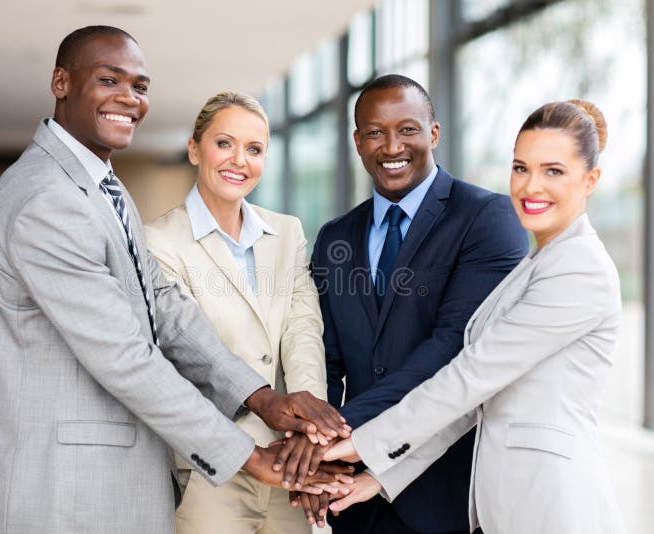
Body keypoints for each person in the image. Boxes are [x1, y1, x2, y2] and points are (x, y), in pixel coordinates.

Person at [0, 26, 348, 534]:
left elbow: (164, 307)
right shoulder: (47, 201)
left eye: (141, 86)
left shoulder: (104, 188)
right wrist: (249, 457)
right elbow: (126, 358)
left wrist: (264, 398)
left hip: (113, 477)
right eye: (109, 80)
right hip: (67, 488)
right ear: (61, 81)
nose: (128, 98)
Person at [324, 100, 624, 534]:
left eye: (553, 171)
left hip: (553, 506)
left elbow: (470, 377)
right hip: (505, 506)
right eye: (521, 168)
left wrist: (363, 443)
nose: (530, 186)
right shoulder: (536, 264)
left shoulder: (579, 269)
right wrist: (381, 477)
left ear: (590, 180)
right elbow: (475, 404)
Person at [304, 74, 529, 533]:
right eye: (374, 132)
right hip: (354, 498)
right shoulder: (335, 238)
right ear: (357, 141)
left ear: (433, 133)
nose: (391, 146)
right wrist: (316, 456)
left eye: (407, 129)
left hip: (448, 492)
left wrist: (336, 433)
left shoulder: (487, 218)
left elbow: (452, 348)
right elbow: (322, 356)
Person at [145, 91, 330, 534]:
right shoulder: (159, 242)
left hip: (290, 457)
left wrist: (310, 430)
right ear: (195, 149)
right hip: (214, 466)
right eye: (224, 143)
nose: (239, 160)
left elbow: (302, 329)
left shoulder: (287, 232)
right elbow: (183, 354)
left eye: (254, 149)